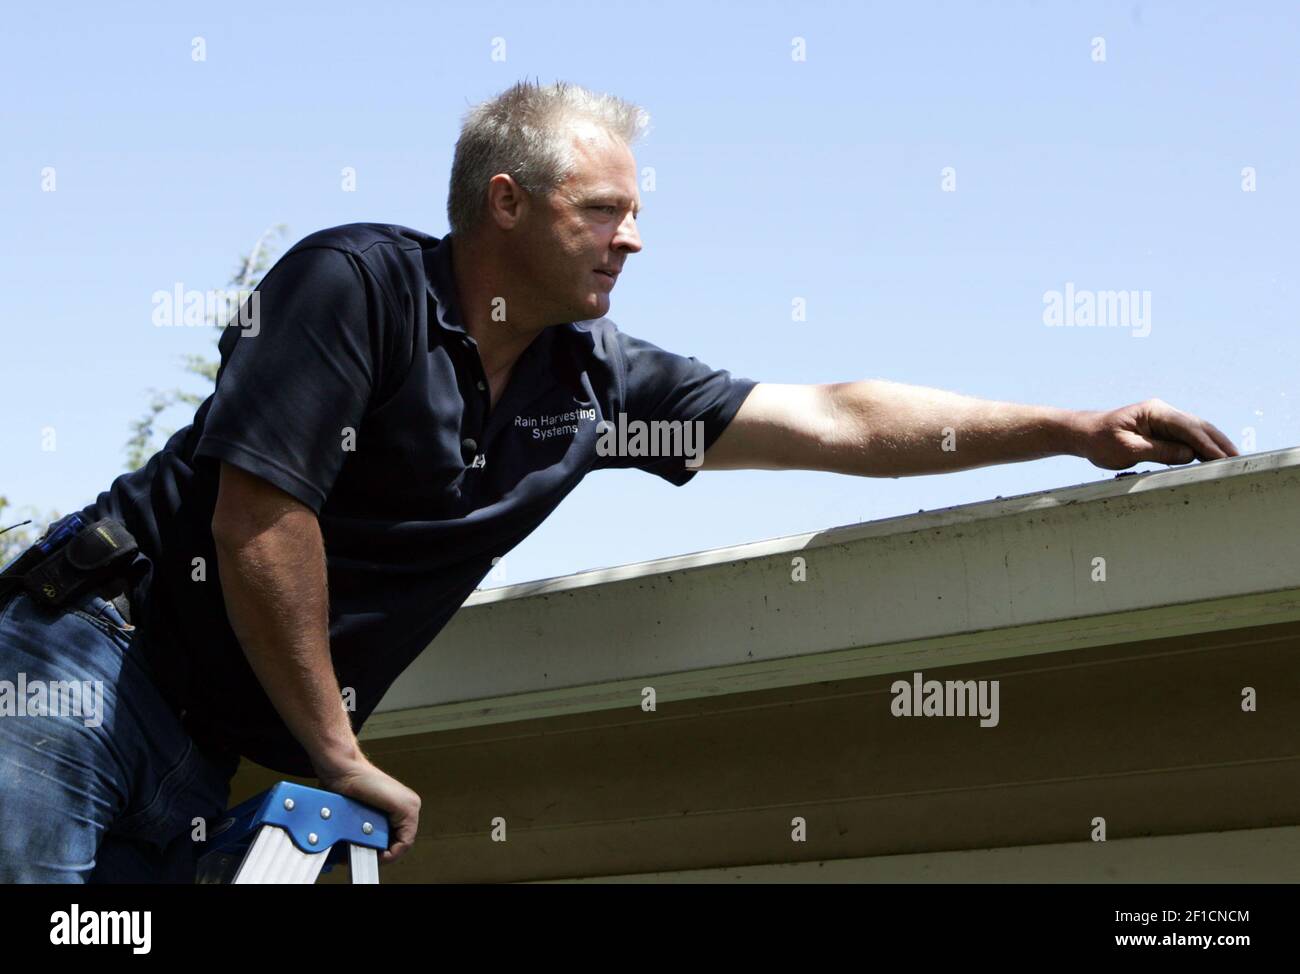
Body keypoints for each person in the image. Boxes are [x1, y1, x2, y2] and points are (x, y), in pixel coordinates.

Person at [0, 79, 1239, 883]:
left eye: (635, 214)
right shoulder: (354, 285)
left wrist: (1071, 424)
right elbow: (262, 514)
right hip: (85, 666)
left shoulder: (594, 385)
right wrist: (341, 752)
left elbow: (838, 418)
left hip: (209, 757)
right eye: (605, 211)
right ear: (506, 202)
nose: (634, 238)